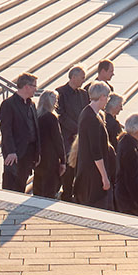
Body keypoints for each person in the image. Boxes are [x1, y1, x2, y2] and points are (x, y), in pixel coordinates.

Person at [75, 82, 116, 207]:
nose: (107, 101)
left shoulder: (89, 113)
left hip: (89, 171)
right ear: (102, 97)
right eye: (107, 97)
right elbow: (95, 150)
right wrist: (104, 176)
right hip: (92, 175)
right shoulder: (91, 118)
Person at [0, 73, 39, 193]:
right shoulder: (8, 104)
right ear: (26, 86)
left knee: (21, 185)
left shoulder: (31, 104)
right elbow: (6, 130)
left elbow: (35, 128)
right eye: (34, 86)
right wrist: (11, 151)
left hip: (29, 152)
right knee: (11, 185)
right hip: (15, 153)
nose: (36, 89)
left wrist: (37, 152)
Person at [56, 67, 89, 201]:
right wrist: (77, 128)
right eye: (82, 77)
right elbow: (61, 115)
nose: (84, 80)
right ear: (73, 77)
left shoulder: (83, 94)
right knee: (69, 168)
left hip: (80, 137)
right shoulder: (60, 93)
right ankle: (66, 193)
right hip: (67, 137)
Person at [114, 113, 138, 216]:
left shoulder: (126, 141)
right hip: (129, 200)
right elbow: (131, 180)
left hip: (125, 196)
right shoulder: (130, 148)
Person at [32, 89, 64, 198]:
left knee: (38, 187)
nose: (56, 102)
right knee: (49, 189)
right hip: (50, 157)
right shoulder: (51, 117)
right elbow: (57, 140)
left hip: (39, 156)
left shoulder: (36, 115)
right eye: (54, 99)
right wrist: (63, 160)